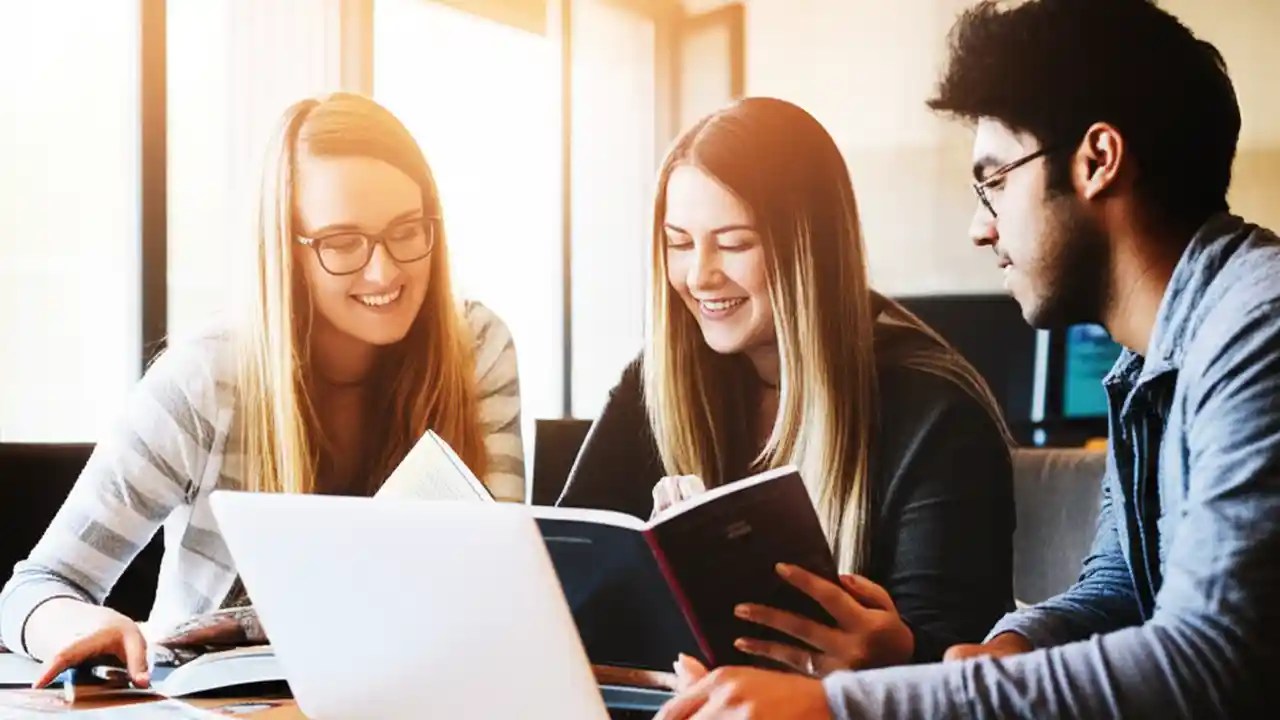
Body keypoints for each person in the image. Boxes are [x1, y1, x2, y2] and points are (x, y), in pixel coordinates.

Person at [655, 1, 1280, 718]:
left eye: (996, 181)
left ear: (1098, 161)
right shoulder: (1151, 360)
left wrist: (837, 707)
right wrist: (1008, 646)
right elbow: (1124, 585)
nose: (982, 227)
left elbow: (1215, 660)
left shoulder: (1257, 324)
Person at [0, 92, 524, 689]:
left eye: (407, 230)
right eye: (342, 242)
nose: (385, 272)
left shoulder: (475, 348)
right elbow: (36, 588)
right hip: (225, 703)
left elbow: (505, 584)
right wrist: (76, 624)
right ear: (286, 251)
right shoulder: (205, 380)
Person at [558, 97, 1015, 675]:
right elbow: (559, 581)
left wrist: (891, 660)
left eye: (734, 243)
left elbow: (967, 667)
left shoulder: (936, 411)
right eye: (679, 243)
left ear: (810, 250)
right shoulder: (657, 379)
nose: (700, 276)